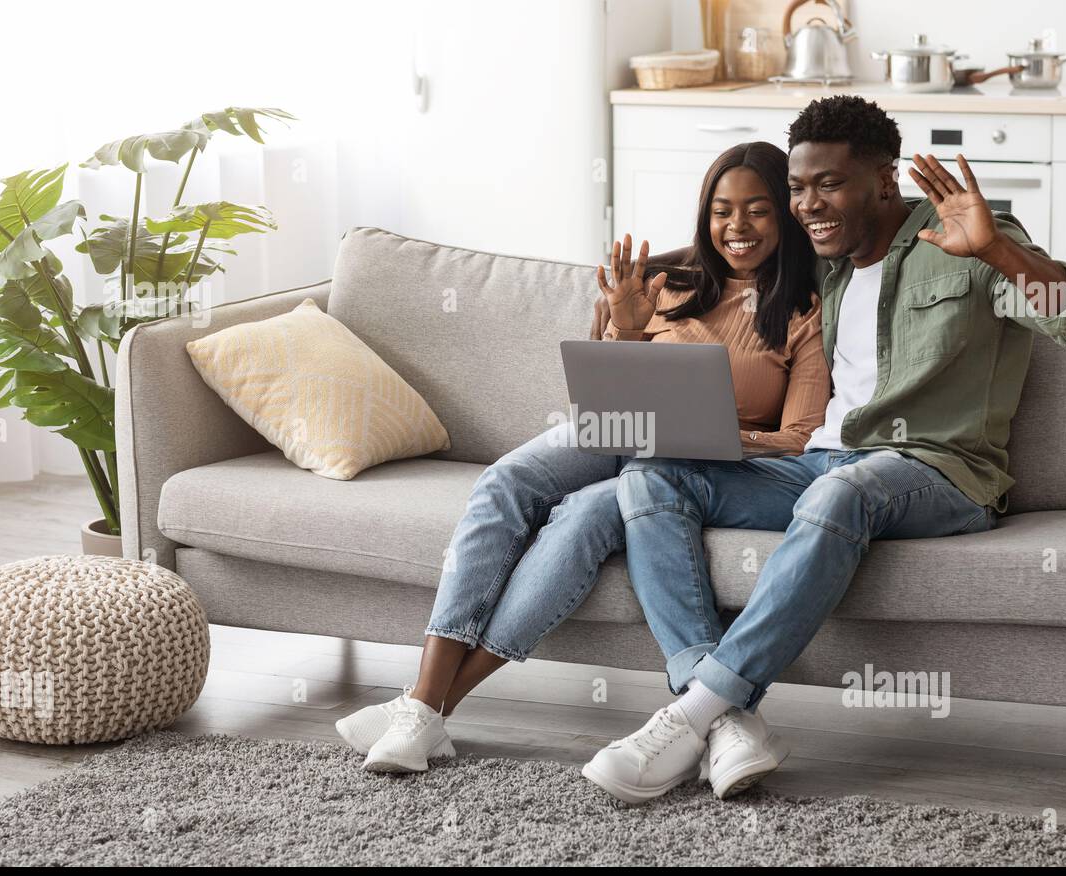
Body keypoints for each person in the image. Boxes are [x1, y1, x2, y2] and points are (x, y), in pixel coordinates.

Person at [581, 95, 1066, 805]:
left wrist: (995, 248)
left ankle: (688, 713)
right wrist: (629, 318)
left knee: (845, 489)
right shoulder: (823, 258)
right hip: (817, 465)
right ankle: (725, 721)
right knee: (651, 477)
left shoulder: (959, 240)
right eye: (799, 189)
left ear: (883, 179)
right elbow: (728, 251)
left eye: (829, 184)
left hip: (941, 473)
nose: (809, 205)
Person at [338, 141, 831, 773]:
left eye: (758, 211)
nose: (736, 228)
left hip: (698, 462)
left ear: (785, 217)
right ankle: (425, 703)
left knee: (580, 522)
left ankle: (424, 708)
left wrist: (712, 436)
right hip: (618, 426)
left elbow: (800, 435)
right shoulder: (667, 284)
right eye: (721, 211)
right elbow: (606, 373)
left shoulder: (804, 310)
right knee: (505, 482)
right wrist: (626, 326)